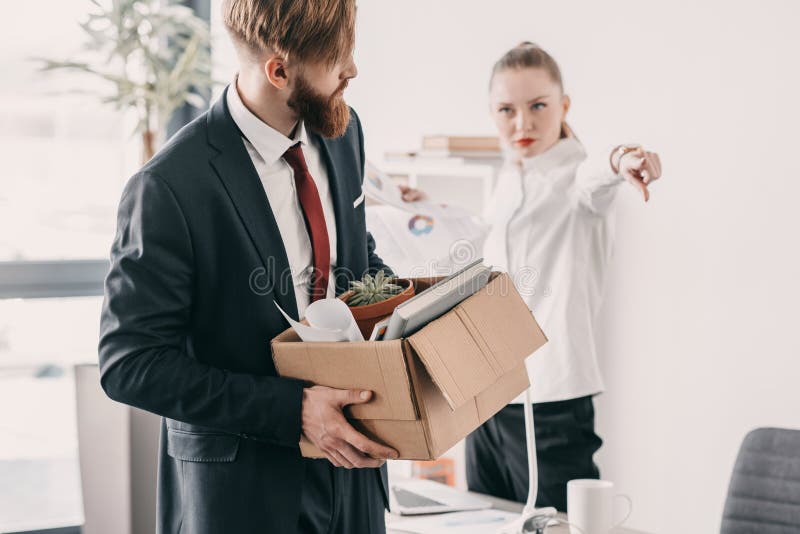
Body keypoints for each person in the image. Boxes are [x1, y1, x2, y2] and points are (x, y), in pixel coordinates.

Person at [97, 1, 399, 532]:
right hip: (243, 497)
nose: (351, 70)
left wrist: (416, 309)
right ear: (278, 70)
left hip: (354, 480)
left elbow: (355, 265)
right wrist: (292, 411)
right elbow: (129, 363)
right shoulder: (169, 186)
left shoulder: (342, 133)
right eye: (336, 59)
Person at [453, 42, 662, 512]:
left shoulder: (576, 177)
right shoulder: (508, 181)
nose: (522, 123)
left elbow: (598, 173)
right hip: (486, 397)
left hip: (549, 399)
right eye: (506, 110)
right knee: (485, 519)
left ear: (563, 107)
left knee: (563, 524)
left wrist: (622, 159)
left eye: (538, 106)